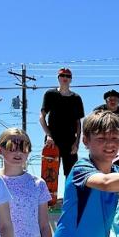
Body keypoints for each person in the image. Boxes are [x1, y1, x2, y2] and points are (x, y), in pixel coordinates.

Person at [39, 67, 85, 205]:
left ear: (71, 79)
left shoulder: (76, 98)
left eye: (67, 76)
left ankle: (69, 200)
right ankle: (47, 201)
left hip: (70, 140)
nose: (65, 78)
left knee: (70, 172)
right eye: (62, 75)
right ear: (58, 78)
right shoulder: (50, 94)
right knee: (50, 171)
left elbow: (78, 123)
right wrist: (48, 135)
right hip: (53, 140)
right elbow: (42, 117)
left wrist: (77, 143)